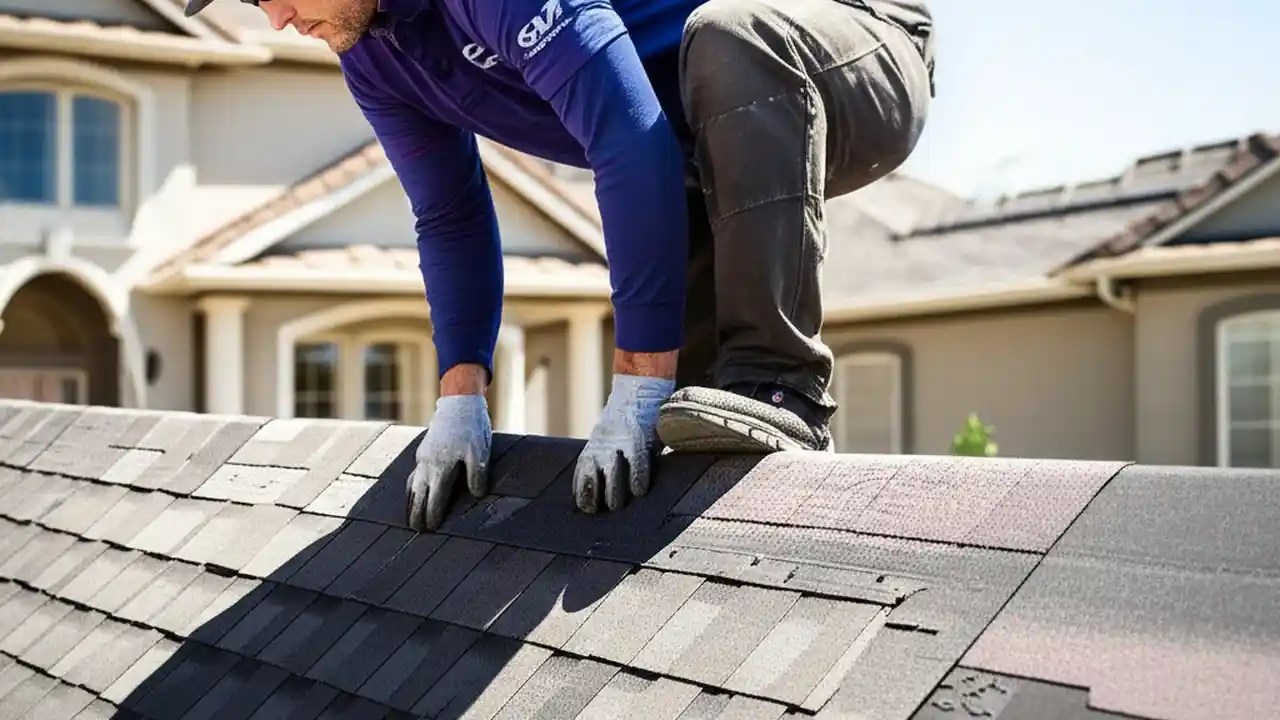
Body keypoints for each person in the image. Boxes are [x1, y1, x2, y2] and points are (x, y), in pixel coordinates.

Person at [185, 0, 935, 531]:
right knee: (701, 446)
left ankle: (786, 385)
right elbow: (449, 214)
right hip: (705, 149)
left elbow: (626, 138)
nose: (274, 17)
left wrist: (636, 385)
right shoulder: (373, 56)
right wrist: (460, 397)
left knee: (728, 36)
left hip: (846, 40)